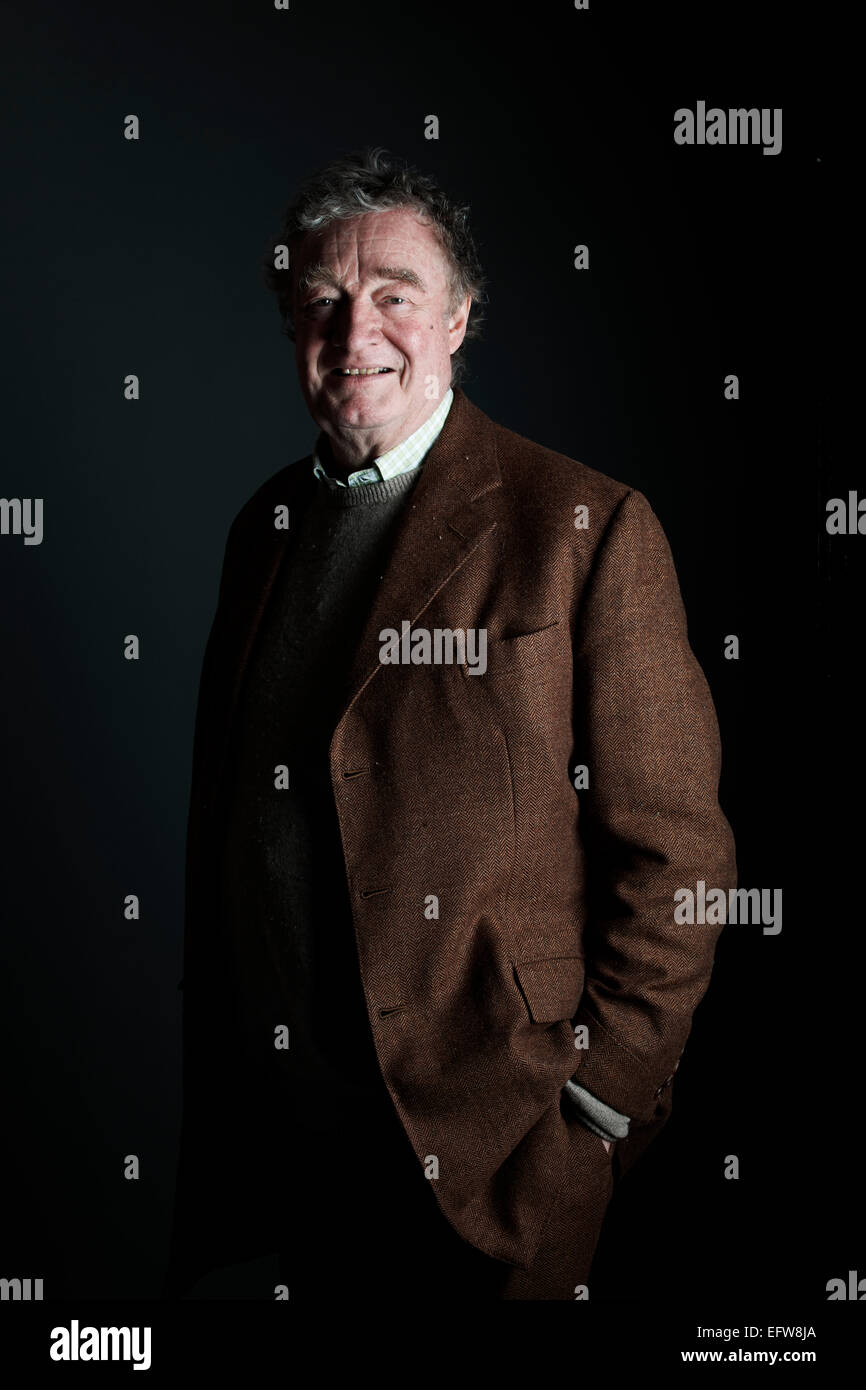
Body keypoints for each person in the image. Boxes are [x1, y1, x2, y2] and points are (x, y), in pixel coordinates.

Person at [164, 147, 737, 1301]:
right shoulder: (260, 531)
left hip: (504, 1161)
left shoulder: (583, 527)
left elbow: (680, 859)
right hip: (307, 1162)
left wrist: (597, 1106)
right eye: (321, 300)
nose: (354, 329)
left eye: (393, 295)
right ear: (289, 325)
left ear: (460, 317)